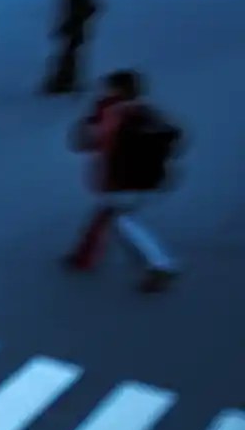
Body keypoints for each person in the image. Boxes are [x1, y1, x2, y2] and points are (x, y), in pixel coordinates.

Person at [63, 70, 183, 293]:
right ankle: (83, 256)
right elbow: (175, 137)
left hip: (124, 180)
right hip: (141, 179)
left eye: (110, 87)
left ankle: (160, 265)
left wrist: (90, 123)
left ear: (118, 90)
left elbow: (86, 142)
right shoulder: (145, 112)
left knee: (123, 222)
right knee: (108, 214)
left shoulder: (114, 113)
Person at [42, 0, 97, 95]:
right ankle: (65, 82)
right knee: (70, 53)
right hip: (75, 25)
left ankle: (64, 83)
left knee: (69, 53)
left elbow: (86, 7)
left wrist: (70, 23)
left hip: (75, 25)